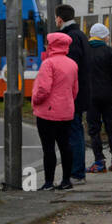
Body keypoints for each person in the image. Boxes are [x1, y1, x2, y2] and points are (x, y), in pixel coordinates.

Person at [31, 31, 79, 190]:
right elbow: (75, 90)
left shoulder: (48, 64)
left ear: (51, 45)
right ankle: (66, 180)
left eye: (47, 43)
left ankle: (49, 182)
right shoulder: (72, 64)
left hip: (47, 113)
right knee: (65, 146)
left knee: (48, 148)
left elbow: (43, 89)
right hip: (66, 111)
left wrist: (35, 100)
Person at [54, 4, 92, 183]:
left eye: (56, 19)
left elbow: (69, 69)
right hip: (81, 91)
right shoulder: (81, 35)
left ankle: (77, 172)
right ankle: (77, 170)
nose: (55, 22)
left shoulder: (70, 38)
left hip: (73, 94)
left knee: (74, 132)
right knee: (75, 130)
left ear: (60, 19)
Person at [85, 23, 112, 172]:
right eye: (107, 35)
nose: (108, 38)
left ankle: (99, 162)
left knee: (94, 129)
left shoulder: (85, 51)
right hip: (108, 96)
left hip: (90, 97)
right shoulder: (109, 51)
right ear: (103, 36)